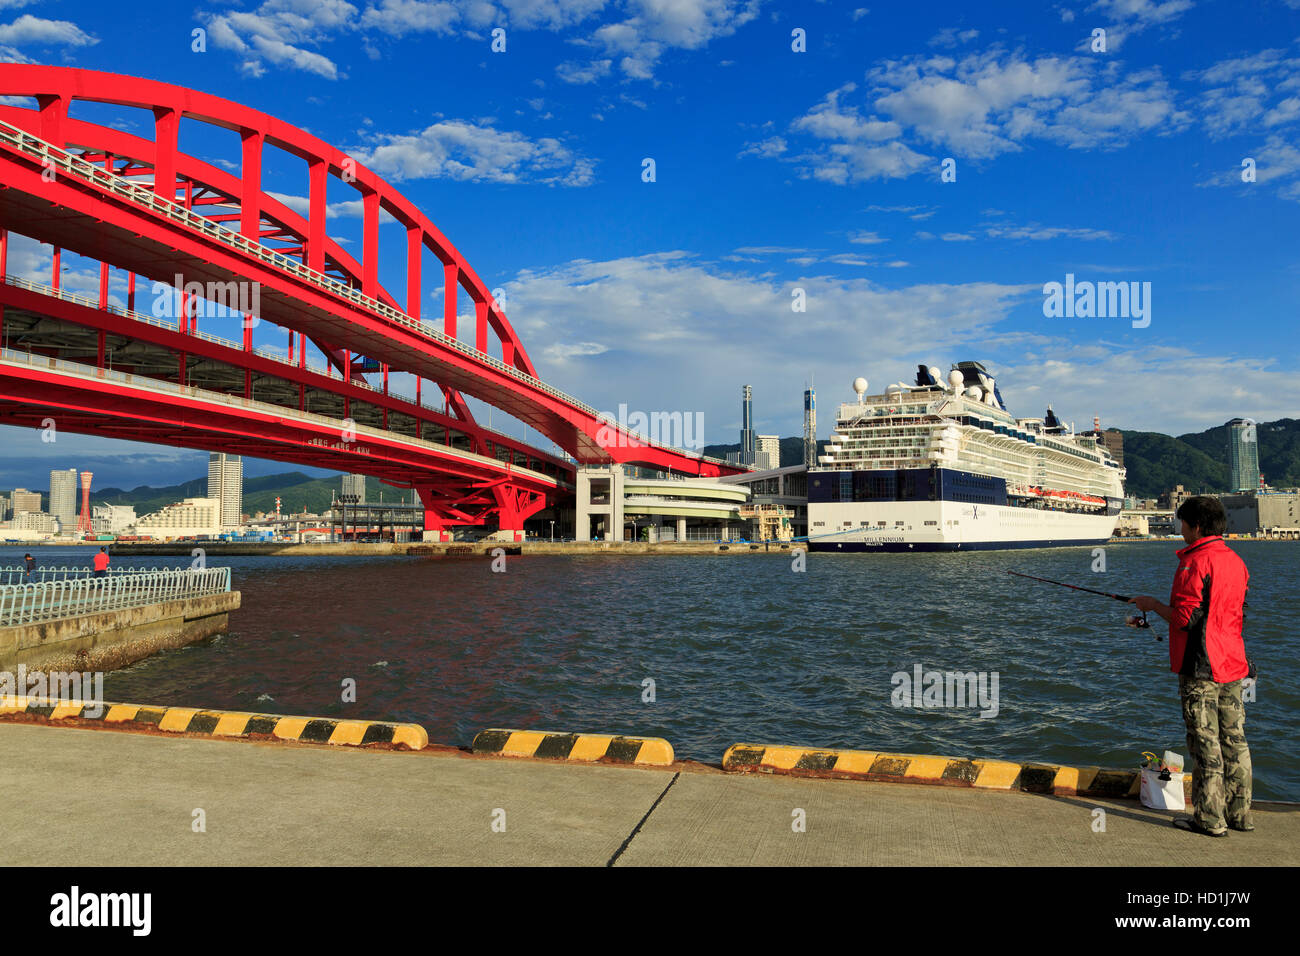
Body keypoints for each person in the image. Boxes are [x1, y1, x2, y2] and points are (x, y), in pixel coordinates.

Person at [1129, 496, 1252, 837]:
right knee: (1234, 740)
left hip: (1200, 666)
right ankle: (1240, 814)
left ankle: (1210, 820)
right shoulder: (1236, 562)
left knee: (1204, 742)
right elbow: (1231, 613)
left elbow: (1185, 619)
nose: (1180, 529)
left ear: (1196, 526)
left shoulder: (1194, 562)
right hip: (1232, 661)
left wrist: (1151, 605)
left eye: (1182, 523)